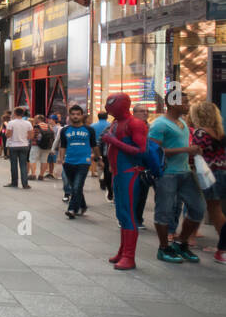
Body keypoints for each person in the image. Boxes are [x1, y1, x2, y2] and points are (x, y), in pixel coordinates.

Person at [148, 93, 205, 264]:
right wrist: (186, 150)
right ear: (172, 104)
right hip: (167, 174)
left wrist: (192, 152)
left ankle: (181, 243)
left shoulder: (182, 124)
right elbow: (153, 152)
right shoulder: (159, 124)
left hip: (185, 172)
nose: (188, 104)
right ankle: (164, 247)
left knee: (198, 209)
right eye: (185, 102)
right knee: (164, 211)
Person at [100, 93, 148, 270]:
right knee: (121, 214)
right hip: (118, 174)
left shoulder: (134, 123)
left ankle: (129, 256)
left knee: (128, 215)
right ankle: (123, 251)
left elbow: (141, 151)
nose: (108, 107)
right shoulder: (115, 122)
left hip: (129, 173)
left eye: (111, 103)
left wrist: (113, 141)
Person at [188, 101, 224, 258]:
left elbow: (194, 153)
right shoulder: (219, 132)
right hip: (222, 172)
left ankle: (222, 247)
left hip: (209, 174)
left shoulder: (201, 133)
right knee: (215, 208)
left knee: (214, 210)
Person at [59, 105, 99, 220]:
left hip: (83, 162)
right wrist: (61, 158)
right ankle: (83, 205)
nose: (75, 116)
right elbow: (63, 146)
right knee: (75, 187)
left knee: (76, 186)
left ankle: (72, 209)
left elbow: (94, 145)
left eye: (78, 114)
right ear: (69, 116)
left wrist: (98, 158)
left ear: (82, 115)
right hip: (69, 162)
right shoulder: (65, 130)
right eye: (73, 114)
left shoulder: (89, 130)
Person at [4, 107, 32, 188]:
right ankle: (25, 183)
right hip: (24, 145)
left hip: (13, 146)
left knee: (14, 165)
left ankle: (14, 183)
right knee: (23, 165)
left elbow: (8, 135)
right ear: (22, 114)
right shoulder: (28, 123)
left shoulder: (11, 123)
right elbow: (31, 136)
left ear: (15, 113)